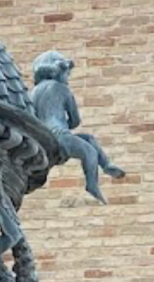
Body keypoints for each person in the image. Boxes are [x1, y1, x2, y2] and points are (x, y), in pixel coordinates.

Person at [30, 51, 126, 203]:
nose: (67, 79)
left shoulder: (32, 93)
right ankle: (92, 185)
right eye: (67, 74)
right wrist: (63, 124)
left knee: (88, 138)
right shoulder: (62, 89)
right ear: (58, 72)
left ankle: (107, 165)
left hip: (41, 137)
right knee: (89, 152)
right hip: (60, 134)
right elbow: (75, 120)